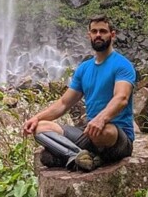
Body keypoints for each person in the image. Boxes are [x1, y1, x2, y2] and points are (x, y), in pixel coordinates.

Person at [22, 15, 136, 172]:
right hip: (89, 133)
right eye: (94, 31)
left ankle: (75, 156)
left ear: (112, 35)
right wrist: (36, 118)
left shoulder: (122, 65)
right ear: (88, 35)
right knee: (39, 128)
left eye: (103, 31)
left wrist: (101, 119)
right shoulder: (84, 68)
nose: (98, 35)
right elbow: (64, 103)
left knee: (102, 131)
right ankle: (78, 156)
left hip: (115, 137)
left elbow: (121, 98)